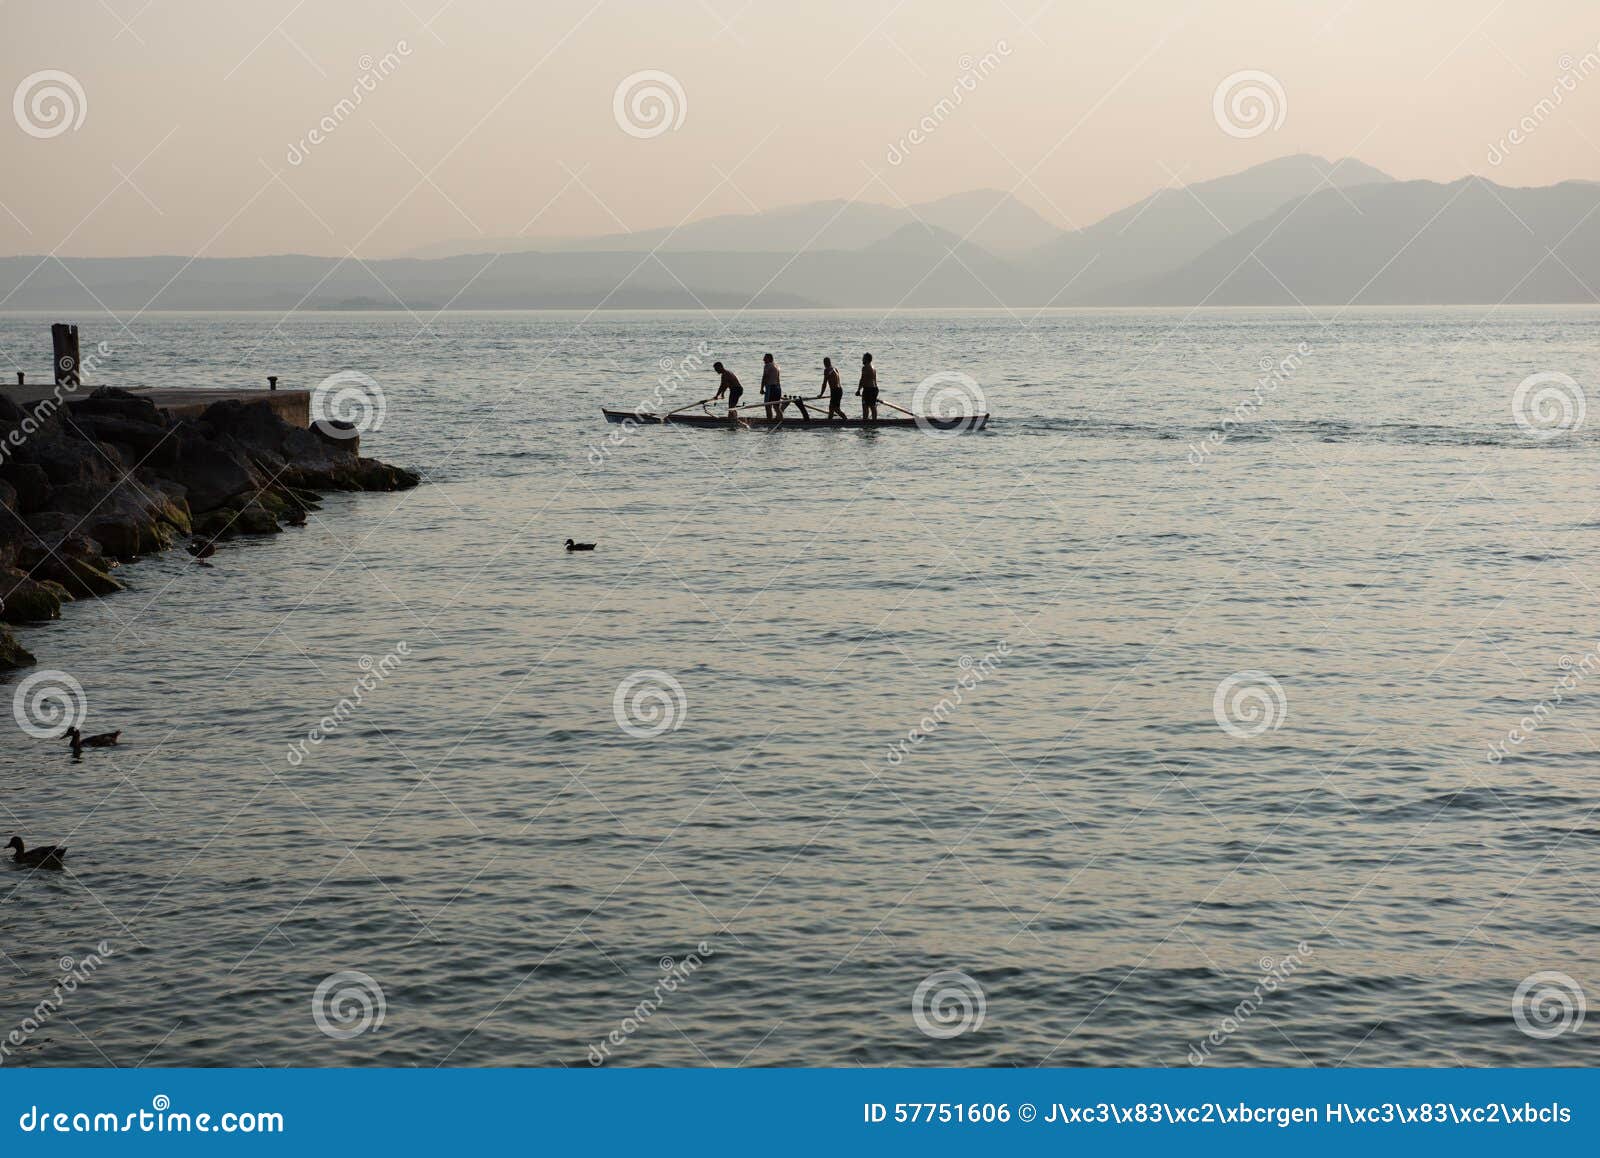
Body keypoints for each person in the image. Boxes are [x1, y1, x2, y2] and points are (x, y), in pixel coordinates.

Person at [857, 352, 879, 420]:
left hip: (868, 390)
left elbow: (862, 379)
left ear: (866, 359)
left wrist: (858, 390)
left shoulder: (865, 367)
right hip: (875, 389)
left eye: (863, 358)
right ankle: (874, 422)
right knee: (873, 406)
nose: (862, 360)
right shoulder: (873, 367)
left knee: (865, 407)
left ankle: (865, 422)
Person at [761, 353, 782, 420]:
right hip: (778, 388)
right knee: (776, 407)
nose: (763, 359)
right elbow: (778, 379)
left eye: (765, 358)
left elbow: (764, 377)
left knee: (767, 405)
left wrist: (761, 389)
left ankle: (769, 421)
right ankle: (780, 420)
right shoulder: (777, 366)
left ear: (769, 359)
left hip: (771, 388)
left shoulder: (767, 365)